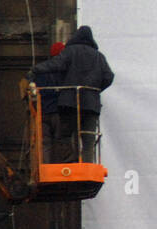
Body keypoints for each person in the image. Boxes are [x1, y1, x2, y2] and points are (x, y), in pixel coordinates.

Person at [28, 25, 114, 163]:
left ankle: (69, 161)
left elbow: (55, 64)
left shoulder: (71, 51)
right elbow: (109, 77)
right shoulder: (99, 57)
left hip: (70, 102)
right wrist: (95, 90)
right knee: (88, 140)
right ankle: (86, 166)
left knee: (66, 135)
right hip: (91, 105)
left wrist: (35, 70)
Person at [33, 41, 66, 161]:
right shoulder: (64, 71)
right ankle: (59, 169)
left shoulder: (41, 70)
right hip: (58, 111)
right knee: (60, 141)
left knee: (45, 143)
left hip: (43, 112)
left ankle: (45, 168)